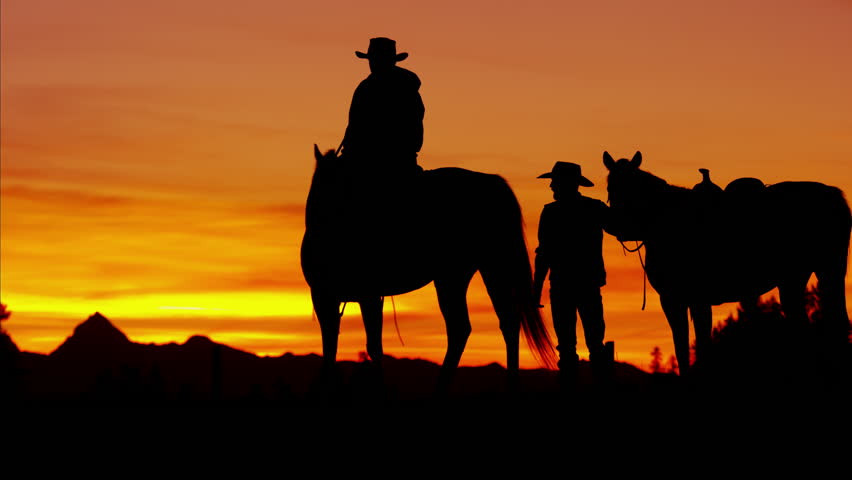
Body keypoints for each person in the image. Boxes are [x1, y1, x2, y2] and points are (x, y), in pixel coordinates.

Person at [532, 161, 614, 389]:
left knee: (567, 345)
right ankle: (601, 387)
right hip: (587, 284)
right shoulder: (595, 208)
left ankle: (570, 389)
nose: (551, 186)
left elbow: (543, 255)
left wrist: (535, 290)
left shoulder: (551, 213)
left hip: (562, 286)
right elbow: (620, 226)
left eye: (554, 181)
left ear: (563, 184)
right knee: (594, 342)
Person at [341, 37, 425, 177]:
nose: (373, 64)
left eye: (375, 60)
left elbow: (355, 125)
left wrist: (349, 151)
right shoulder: (407, 86)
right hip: (404, 157)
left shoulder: (366, 88)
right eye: (372, 60)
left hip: (378, 158)